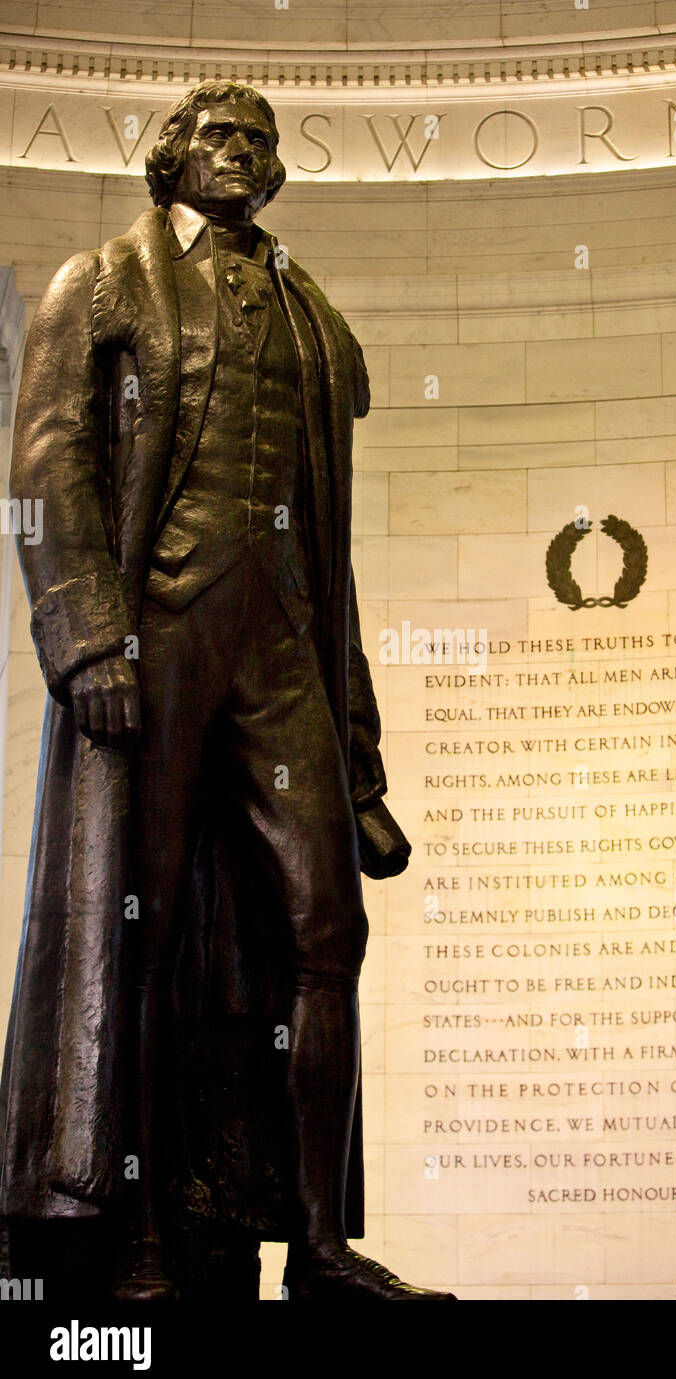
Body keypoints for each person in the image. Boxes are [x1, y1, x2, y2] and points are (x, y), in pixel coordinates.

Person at [0, 80, 455, 1303]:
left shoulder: (309, 313)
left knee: (325, 929)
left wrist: (355, 751)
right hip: (156, 635)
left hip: (282, 642)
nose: (240, 149)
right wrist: (89, 643)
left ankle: (314, 1241)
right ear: (169, 158)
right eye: (217, 132)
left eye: (259, 137)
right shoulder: (100, 284)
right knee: (134, 937)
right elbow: (44, 470)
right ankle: (137, 1224)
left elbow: (329, 526)